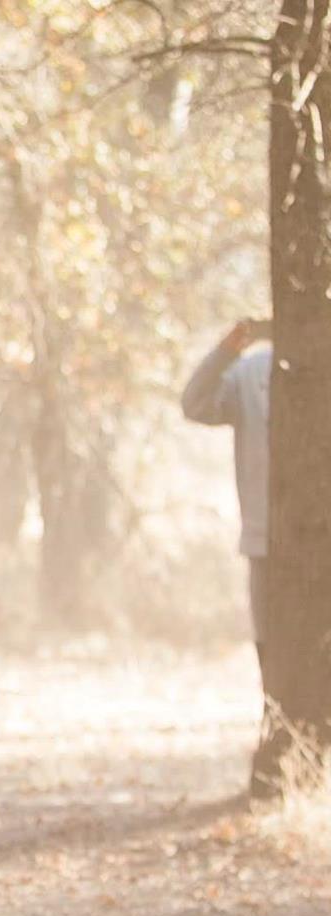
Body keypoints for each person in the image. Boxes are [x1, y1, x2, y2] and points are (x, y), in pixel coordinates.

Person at [180, 317, 275, 794]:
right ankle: (284, 756)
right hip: (266, 544)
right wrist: (229, 348)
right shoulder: (252, 374)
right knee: (273, 654)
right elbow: (195, 404)